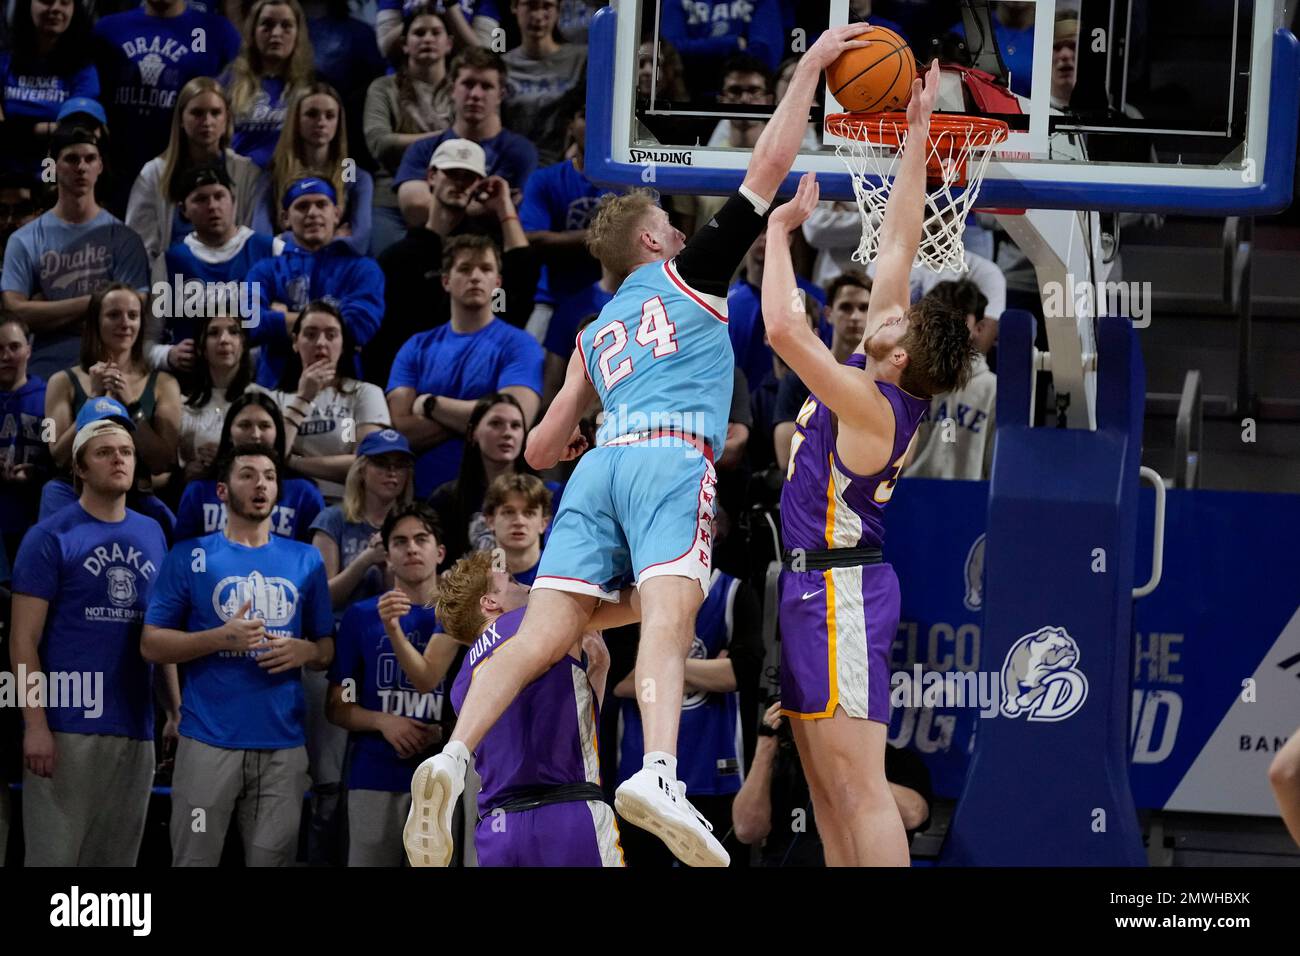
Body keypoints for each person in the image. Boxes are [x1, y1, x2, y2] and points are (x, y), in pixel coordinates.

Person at [406, 24, 877, 869]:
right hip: (668, 457)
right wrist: (806, 70)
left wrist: (584, 429)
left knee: (540, 636)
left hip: (597, 470)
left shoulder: (592, 332)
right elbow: (765, 170)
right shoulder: (690, 273)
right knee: (669, 614)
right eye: (670, 221)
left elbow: (544, 449)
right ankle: (659, 771)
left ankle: (452, 754)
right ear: (655, 243)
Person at [758, 61, 974, 867]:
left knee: (859, 785)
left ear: (902, 352)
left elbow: (783, 330)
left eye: (905, 319)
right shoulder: (878, 367)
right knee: (822, 788)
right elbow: (902, 237)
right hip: (815, 583)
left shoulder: (871, 403)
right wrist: (917, 135)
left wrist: (778, 234)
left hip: (844, 589)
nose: (895, 309)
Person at [142, 441, 334, 866]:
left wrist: (305, 651)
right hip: (208, 742)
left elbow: (325, 649)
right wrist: (220, 638)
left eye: (268, 476)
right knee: (195, 858)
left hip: (283, 747)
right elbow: (152, 643)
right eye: (247, 475)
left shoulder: (306, 560)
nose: (260, 484)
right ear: (223, 491)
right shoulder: (190, 556)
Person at [10, 396, 171, 865]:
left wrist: (174, 712)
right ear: (80, 467)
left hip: (135, 725)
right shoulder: (49, 536)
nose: (118, 459)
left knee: (116, 861)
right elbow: (23, 640)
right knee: (55, 860)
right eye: (104, 452)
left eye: (125, 451)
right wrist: (35, 725)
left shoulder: (153, 532)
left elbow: (158, 633)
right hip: (67, 725)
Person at [433, 549, 624, 867]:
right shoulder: (536, 623)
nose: (527, 587)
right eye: (511, 582)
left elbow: (568, 719)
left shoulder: (461, 684)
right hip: (567, 813)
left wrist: (598, 667)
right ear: (490, 603)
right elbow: (627, 607)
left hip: (499, 828)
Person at [326, 502, 457, 866]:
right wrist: (385, 721)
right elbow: (338, 705)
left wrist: (442, 732)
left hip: (443, 778)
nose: (411, 548)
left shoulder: (458, 617)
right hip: (373, 775)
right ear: (388, 555)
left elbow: (477, 698)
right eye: (400, 542)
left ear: (440, 552)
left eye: (421, 539)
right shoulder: (360, 616)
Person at [612, 559, 763, 867]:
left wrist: (661, 663)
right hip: (637, 776)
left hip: (714, 769)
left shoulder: (734, 592)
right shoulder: (634, 596)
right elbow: (618, 683)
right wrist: (709, 669)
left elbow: (741, 674)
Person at [386, 232, 542, 498]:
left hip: (498, 496)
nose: (476, 276)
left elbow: (516, 420)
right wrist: (479, 418)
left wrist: (431, 405)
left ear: (497, 283)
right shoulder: (416, 347)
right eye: (465, 268)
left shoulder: (521, 345)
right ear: (446, 280)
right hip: (425, 495)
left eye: (485, 268)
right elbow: (400, 430)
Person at [370, 140, 535, 382]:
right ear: (432, 176)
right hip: (411, 377)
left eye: (469, 177)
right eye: (452, 173)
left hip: (477, 374)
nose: (459, 182)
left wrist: (503, 207)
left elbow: (522, 282)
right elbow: (383, 337)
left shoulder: (484, 251)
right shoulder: (398, 258)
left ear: (479, 184)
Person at [1, 124, 149, 380]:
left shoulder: (125, 239)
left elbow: (136, 304)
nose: (81, 167)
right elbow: (15, 312)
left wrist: (47, 310)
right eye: (71, 159)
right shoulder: (25, 240)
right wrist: (101, 303)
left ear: (100, 166)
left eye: (89, 159)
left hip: (111, 372)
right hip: (43, 372)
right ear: (53, 167)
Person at [732, 700, 932, 866]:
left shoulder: (899, 761)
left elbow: (914, 814)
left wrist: (848, 766)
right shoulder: (787, 759)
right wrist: (766, 746)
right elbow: (746, 830)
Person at [91, 0, 242, 215]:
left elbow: (237, 95)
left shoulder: (214, 29)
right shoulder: (109, 29)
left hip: (189, 170)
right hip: (119, 169)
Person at [244, 176, 385, 387]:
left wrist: (282, 319)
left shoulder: (363, 268)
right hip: (277, 388)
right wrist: (332, 324)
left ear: (336, 214)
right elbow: (250, 323)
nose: (312, 213)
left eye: (321, 204)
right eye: (302, 206)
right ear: (285, 218)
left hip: (342, 387)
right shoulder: (265, 269)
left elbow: (359, 326)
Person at [126, 77, 267, 284]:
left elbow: (255, 244)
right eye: (197, 113)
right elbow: (139, 248)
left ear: (227, 118)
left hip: (233, 286)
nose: (207, 122)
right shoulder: (154, 173)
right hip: (170, 286)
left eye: (215, 113)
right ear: (181, 119)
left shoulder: (247, 172)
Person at [257, 300, 390, 503]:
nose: (321, 343)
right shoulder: (273, 399)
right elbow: (267, 461)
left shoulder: (365, 394)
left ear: (343, 343)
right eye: (310, 334)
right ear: (295, 342)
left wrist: (293, 462)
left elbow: (367, 466)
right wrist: (303, 398)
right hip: (289, 506)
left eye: (331, 335)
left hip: (346, 507)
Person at [43, 282, 182, 477]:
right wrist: (94, 400)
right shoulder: (59, 382)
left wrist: (133, 407)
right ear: (95, 322)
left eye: (133, 316)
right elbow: (58, 456)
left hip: (139, 496)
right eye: (114, 315)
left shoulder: (165, 384)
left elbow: (163, 462)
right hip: (76, 494)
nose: (125, 323)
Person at [392, 47, 538, 229]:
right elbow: (414, 207)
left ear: (500, 95)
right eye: (468, 84)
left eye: (486, 86)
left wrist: (445, 201)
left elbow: (522, 213)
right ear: (453, 89)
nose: (476, 95)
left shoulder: (521, 151)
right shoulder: (423, 148)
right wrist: (486, 207)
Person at [159, 162, 277, 357]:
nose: (212, 206)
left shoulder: (271, 249)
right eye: (201, 199)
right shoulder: (170, 262)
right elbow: (148, 340)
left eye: (219, 196)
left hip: (259, 377)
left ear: (234, 201)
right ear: (183, 210)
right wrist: (167, 356)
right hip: (192, 378)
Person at [364, 5, 454, 257]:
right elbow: (380, 143)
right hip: (388, 197)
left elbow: (470, 144)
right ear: (404, 44)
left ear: (449, 43)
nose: (427, 38)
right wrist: (446, 137)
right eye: (419, 33)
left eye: (435, 32)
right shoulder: (383, 88)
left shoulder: (462, 88)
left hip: (448, 196)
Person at [174, 390, 324, 541]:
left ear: (277, 432)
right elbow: (183, 555)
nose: (255, 434)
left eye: (264, 426)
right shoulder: (198, 491)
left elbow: (313, 558)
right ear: (229, 433)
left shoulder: (304, 493)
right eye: (245, 425)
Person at [773, 272, 873, 473]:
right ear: (828, 314)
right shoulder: (799, 377)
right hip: (809, 495)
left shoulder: (882, 378)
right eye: (846, 307)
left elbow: (902, 459)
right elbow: (786, 456)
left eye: (864, 308)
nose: (855, 316)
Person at [259, 82, 373, 254]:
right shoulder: (273, 175)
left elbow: (359, 243)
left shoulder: (353, 175)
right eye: (312, 114)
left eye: (330, 115)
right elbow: (261, 242)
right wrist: (333, 237)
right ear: (296, 120)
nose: (321, 122)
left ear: (338, 122)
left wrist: (285, 238)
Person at [311, 427, 414, 612]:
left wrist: (387, 568)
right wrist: (365, 560)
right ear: (361, 469)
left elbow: (414, 602)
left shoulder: (412, 525)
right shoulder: (332, 519)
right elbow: (321, 599)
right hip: (340, 628)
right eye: (381, 463)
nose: (392, 472)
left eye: (400, 465)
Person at [426, 391, 533, 566]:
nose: (507, 433)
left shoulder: (544, 496)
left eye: (515, 426)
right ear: (472, 433)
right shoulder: (445, 499)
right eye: (496, 424)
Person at [905, 279, 998, 481]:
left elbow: (995, 469)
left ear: (979, 327)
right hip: (909, 496)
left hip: (968, 500)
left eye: (956, 319)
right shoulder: (908, 379)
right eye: (937, 319)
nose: (945, 328)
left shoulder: (993, 388)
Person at [0, 0, 98, 179]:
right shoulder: (5, 62)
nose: (55, 9)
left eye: (64, 2)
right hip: (6, 177)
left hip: (55, 180)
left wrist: (19, 130)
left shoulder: (83, 69)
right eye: (46, 1)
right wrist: (47, 128)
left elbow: (75, 132)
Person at [221, 0, 315, 169]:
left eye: (286, 25)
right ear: (253, 31)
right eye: (267, 25)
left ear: (298, 33)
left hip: (293, 183)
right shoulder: (228, 81)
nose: (276, 33)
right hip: (238, 181)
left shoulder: (312, 86)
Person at [177, 310, 254, 489]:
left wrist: (222, 462)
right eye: (213, 333)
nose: (224, 340)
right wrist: (185, 473)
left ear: (244, 344)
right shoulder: (181, 405)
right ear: (200, 347)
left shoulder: (263, 401)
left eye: (234, 332)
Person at [502, 0, 586, 167]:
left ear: (558, 10)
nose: (538, 16)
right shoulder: (502, 66)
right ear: (514, 7)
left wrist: (581, 144)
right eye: (531, 6)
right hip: (515, 165)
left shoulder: (582, 59)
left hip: (567, 166)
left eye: (547, 6)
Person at [0, 316, 50, 559]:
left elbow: (55, 451)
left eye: (14, 347)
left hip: (35, 510)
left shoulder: (49, 397)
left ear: (29, 350)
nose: (6, 356)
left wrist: (37, 472)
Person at [659, 0, 784, 92]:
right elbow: (669, 51)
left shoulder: (762, 2)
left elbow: (764, 55)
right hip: (686, 96)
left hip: (743, 95)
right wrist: (731, 44)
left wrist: (695, 50)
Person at [480, 472, 550, 586]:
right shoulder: (472, 579)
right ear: (490, 521)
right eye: (509, 512)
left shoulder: (560, 576)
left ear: (543, 523)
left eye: (529, 513)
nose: (519, 522)